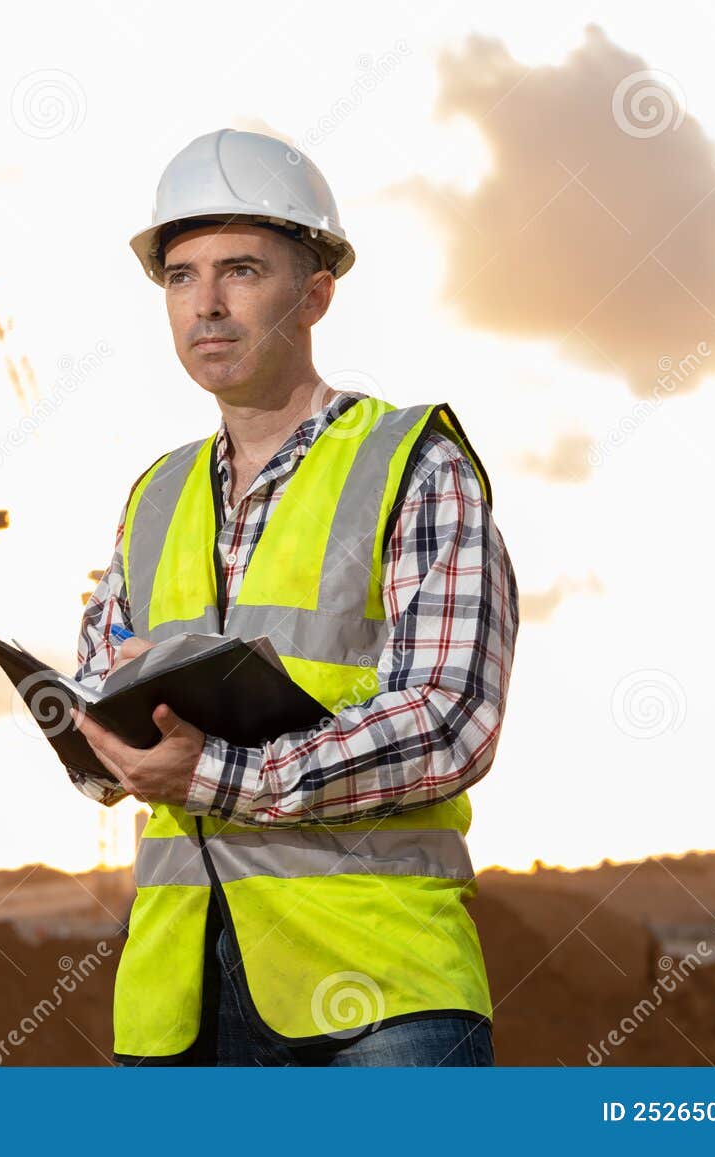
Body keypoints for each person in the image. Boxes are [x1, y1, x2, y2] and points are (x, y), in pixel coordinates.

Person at [68, 128, 519, 1066]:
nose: (208, 304)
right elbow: (98, 727)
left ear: (315, 292)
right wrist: (98, 736)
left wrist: (221, 777)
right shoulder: (156, 494)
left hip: (381, 992)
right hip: (176, 997)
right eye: (181, 276)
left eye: (241, 270)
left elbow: (450, 722)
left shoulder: (410, 464)